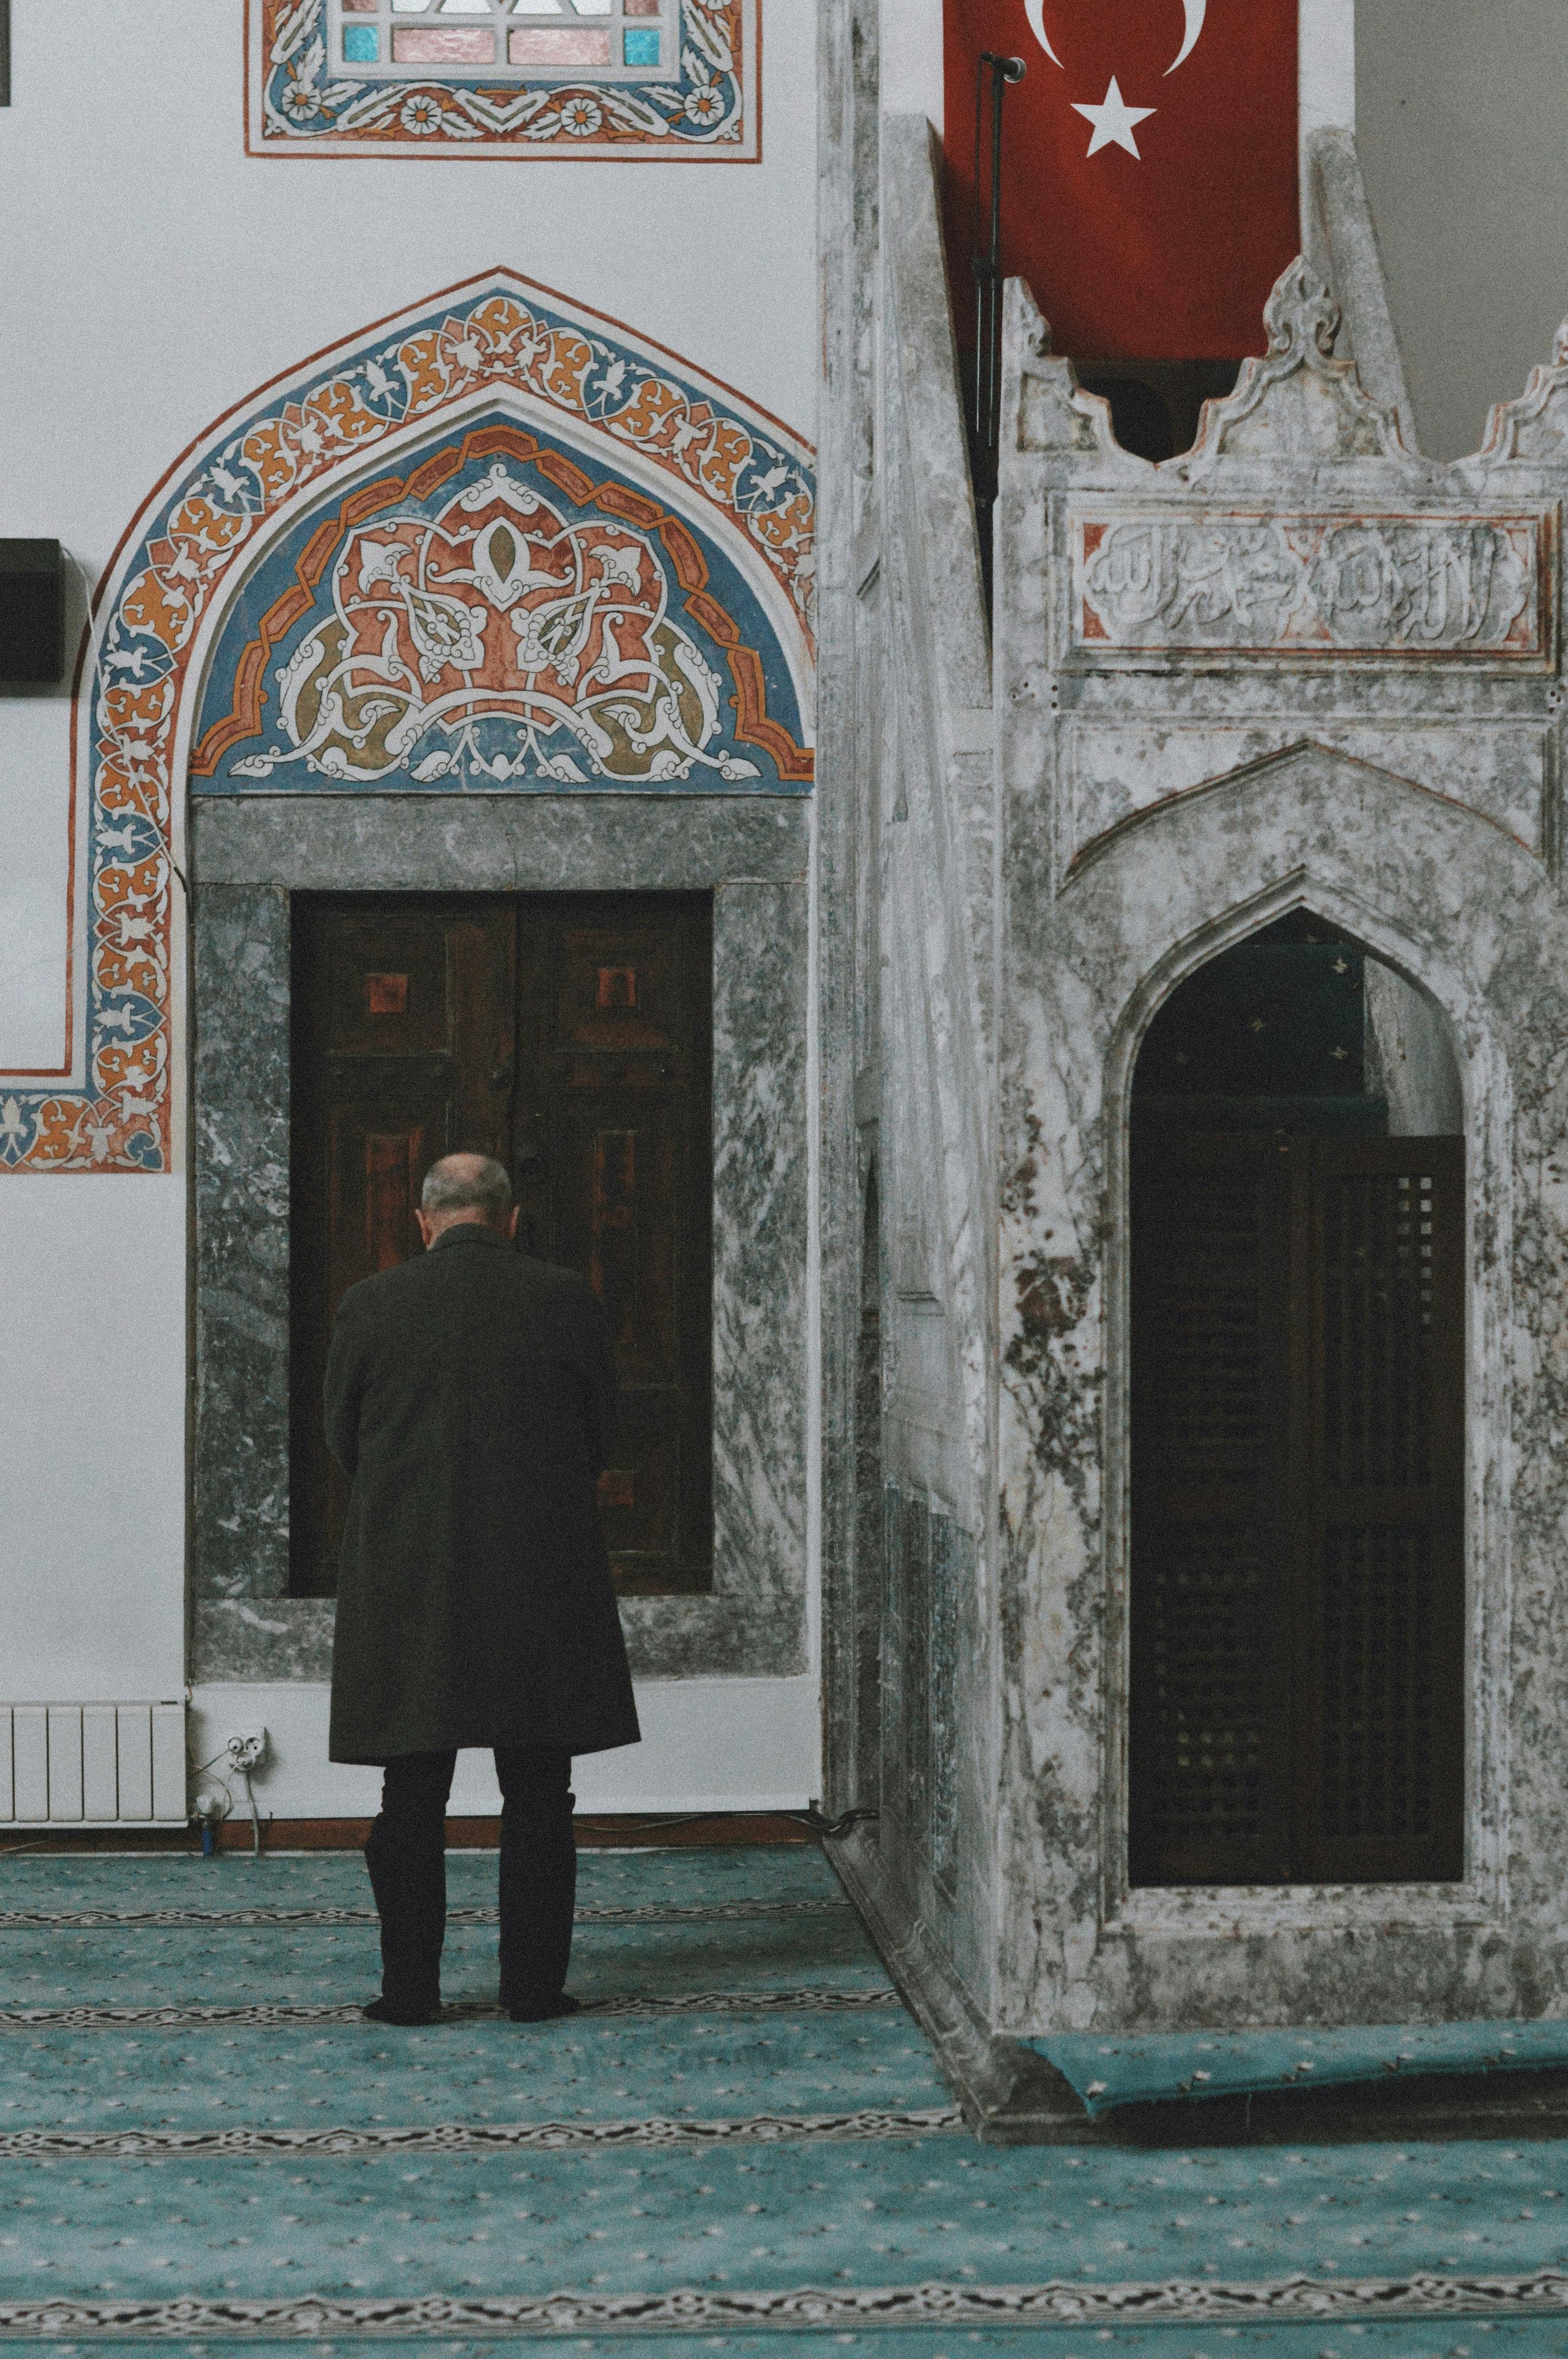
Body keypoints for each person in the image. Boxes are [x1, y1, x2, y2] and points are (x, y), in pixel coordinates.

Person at [324, 1150, 640, 2026]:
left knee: (411, 1796)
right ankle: (533, 1990)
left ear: (422, 1221)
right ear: (510, 1218)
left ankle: (412, 1992)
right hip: (539, 1579)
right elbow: (598, 1435)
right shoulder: (565, 1298)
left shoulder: (371, 1304)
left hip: (410, 1581)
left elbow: (342, 1439)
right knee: (540, 1791)